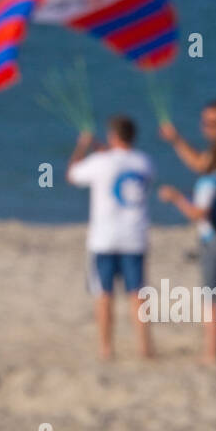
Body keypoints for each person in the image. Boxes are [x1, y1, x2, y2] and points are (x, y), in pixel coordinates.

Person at [66, 115, 155, 360]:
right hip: (135, 237)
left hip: (104, 239)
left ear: (112, 136)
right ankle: (144, 347)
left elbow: (72, 175)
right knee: (137, 294)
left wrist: (83, 145)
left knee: (104, 294)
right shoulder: (145, 162)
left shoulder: (100, 161)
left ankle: (106, 349)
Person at [158, 142, 216, 363]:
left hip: (214, 241)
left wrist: (177, 198)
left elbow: (199, 213)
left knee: (212, 298)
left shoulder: (208, 183)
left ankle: (212, 350)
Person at [160, 99, 216, 176]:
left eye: (212, 123)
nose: (206, 128)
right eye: (205, 123)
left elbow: (200, 165)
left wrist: (176, 139)